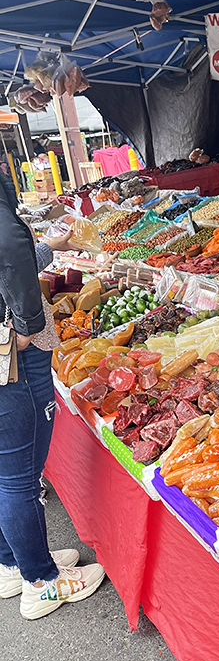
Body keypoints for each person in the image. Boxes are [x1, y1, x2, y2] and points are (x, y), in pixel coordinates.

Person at [0, 168, 106, 620]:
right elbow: (7, 247)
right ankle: (40, 582)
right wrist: (26, 327)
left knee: (4, 471)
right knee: (18, 475)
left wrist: (48, 248)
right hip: (9, 360)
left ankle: (11, 564)